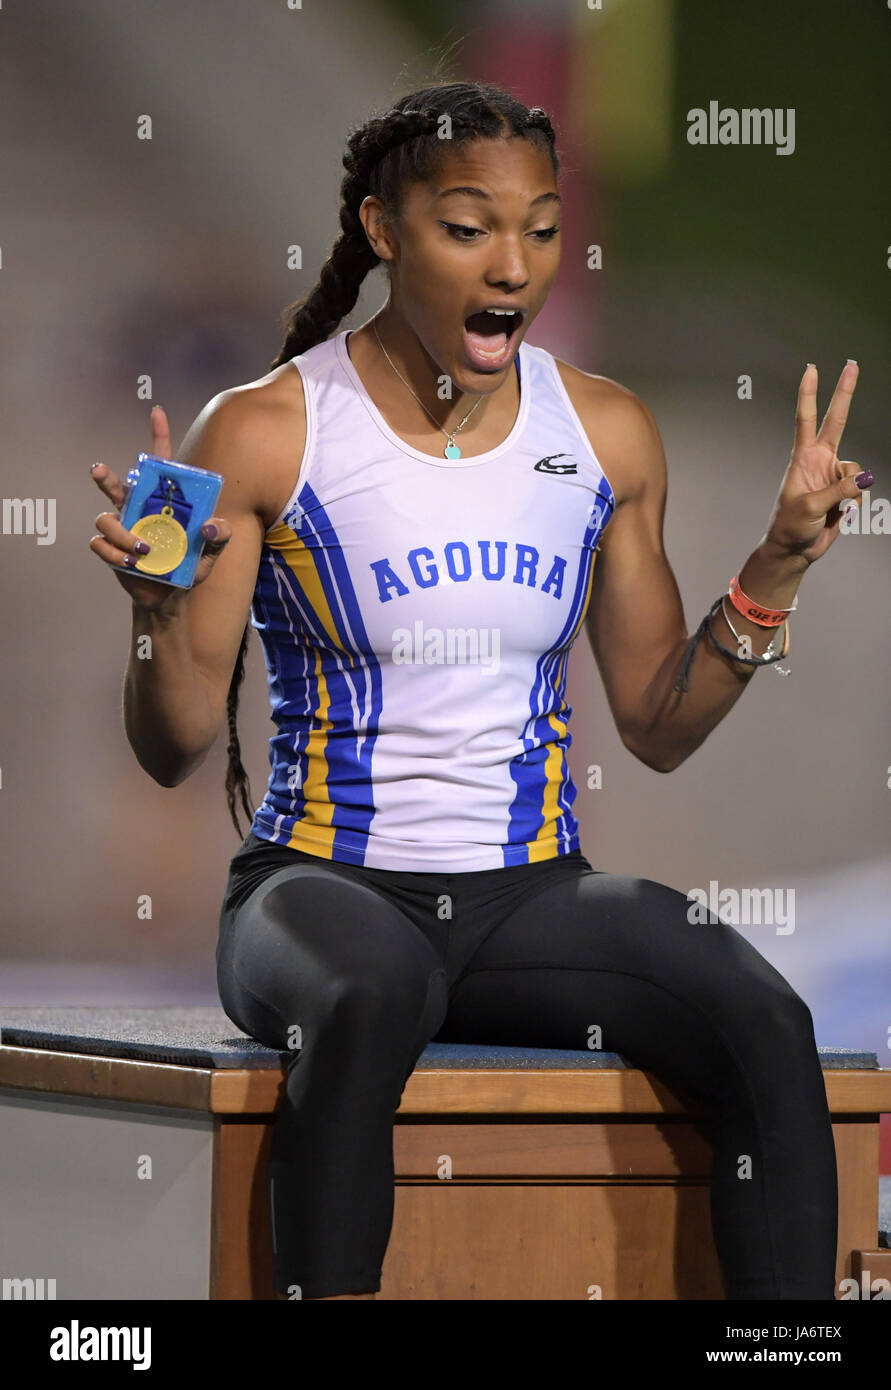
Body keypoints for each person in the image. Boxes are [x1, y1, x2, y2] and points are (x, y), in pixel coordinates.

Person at [89, 81, 872, 1302]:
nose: (514, 263)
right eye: (469, 228)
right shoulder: (249, 434)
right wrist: (152, 621)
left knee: (761, 1011)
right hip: (319, 892)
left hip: (527, 897)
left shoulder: (605, 434)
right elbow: (174, 744)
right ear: (385, 230)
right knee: (373, 990)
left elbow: (660, 723)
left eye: (542, 228)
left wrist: (774, 564)